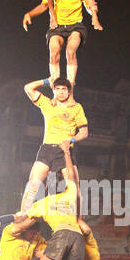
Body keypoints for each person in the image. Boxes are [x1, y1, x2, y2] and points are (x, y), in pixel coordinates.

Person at [23, 0, 102, 89]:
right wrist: (29, 14)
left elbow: (89, 4)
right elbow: (44, 5)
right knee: (54, 51)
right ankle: (55, 84)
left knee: (70, 51)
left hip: (75, 26)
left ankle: (70, 85)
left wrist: (93, 13)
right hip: (57, 26)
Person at [20, 78, 88, 214]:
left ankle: (77, 222)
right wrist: (47, 80)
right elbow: (28, 88)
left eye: (64, 89)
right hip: (47, 149)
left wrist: (71, 140)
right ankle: (22, 217)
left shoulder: (76, 107)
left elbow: (84, 132)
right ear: (53, 90)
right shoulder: (47, 103)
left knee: (74, 189)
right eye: (58, 89)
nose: (61, 92)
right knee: (32, 186)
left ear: (69, 92)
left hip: (65, 152)